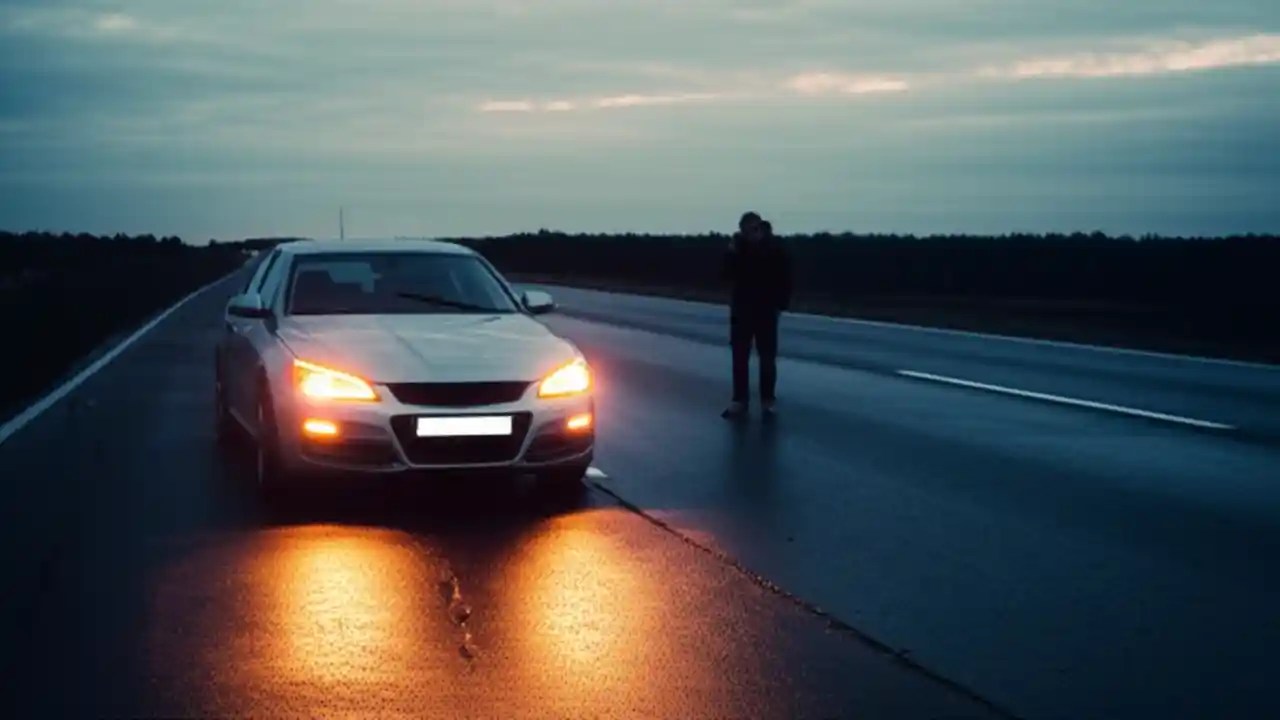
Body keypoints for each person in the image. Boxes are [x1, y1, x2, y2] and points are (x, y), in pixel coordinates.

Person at [721, 213, 792, 418]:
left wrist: (780, 303)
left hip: (766, 310)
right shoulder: (738, 248)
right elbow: (725, 275)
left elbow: (785, 277)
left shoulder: (774, 249)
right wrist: (731, 253)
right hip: (742, 309)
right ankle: (739, 400)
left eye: (752, 229)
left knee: (767, 358)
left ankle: (768, 401)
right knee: (739, 356)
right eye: (745, 230)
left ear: (760, 228)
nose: (749, 234)